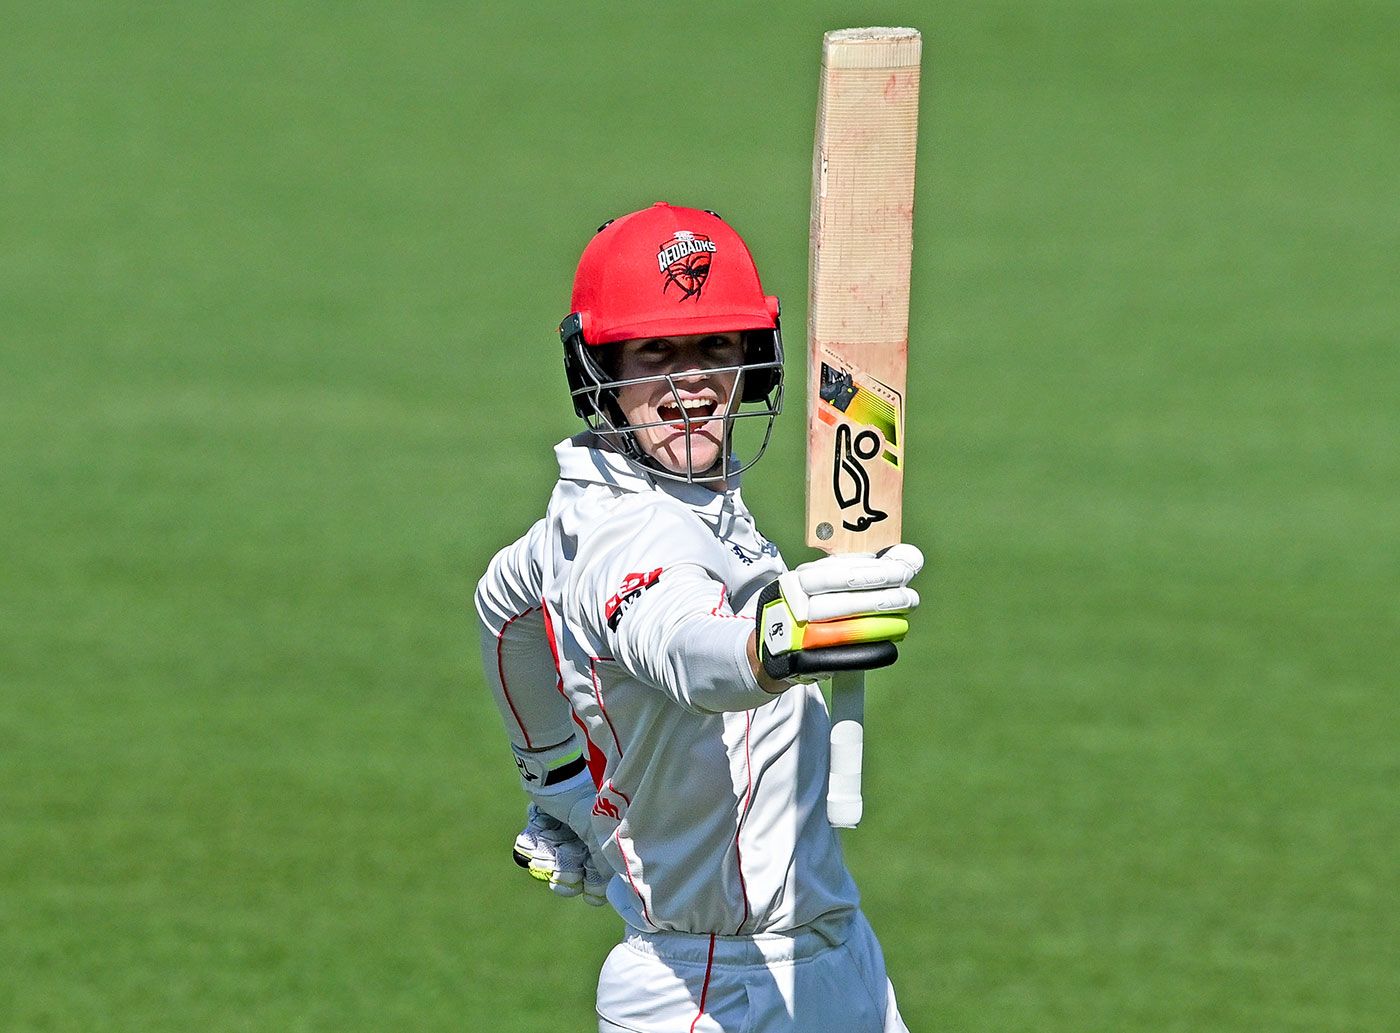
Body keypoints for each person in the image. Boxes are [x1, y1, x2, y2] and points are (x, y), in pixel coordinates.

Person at [474, 202, 923, 1032]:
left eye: (715, 347)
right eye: (657, 352)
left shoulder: (638, 499)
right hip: (717, 995)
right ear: (598, 368)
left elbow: (503, 606)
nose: (692, 383)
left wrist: (556, 783)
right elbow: (690, 652)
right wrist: (777, 645)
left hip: (835, 962)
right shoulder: (629, 536)